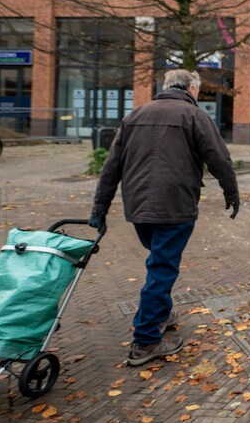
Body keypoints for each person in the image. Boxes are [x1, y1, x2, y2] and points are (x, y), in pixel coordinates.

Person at [90, 69, 240, 366]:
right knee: (161, 267)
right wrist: (231, 193)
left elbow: (111, 167)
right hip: (174, 205)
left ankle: (160, 312)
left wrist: (99, 208)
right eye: (198, 90)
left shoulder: (135, 116)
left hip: (138, 206)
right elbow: (219, 158)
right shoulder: (193, 116)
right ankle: (146, 340)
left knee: (160, 259)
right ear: (192, 89)